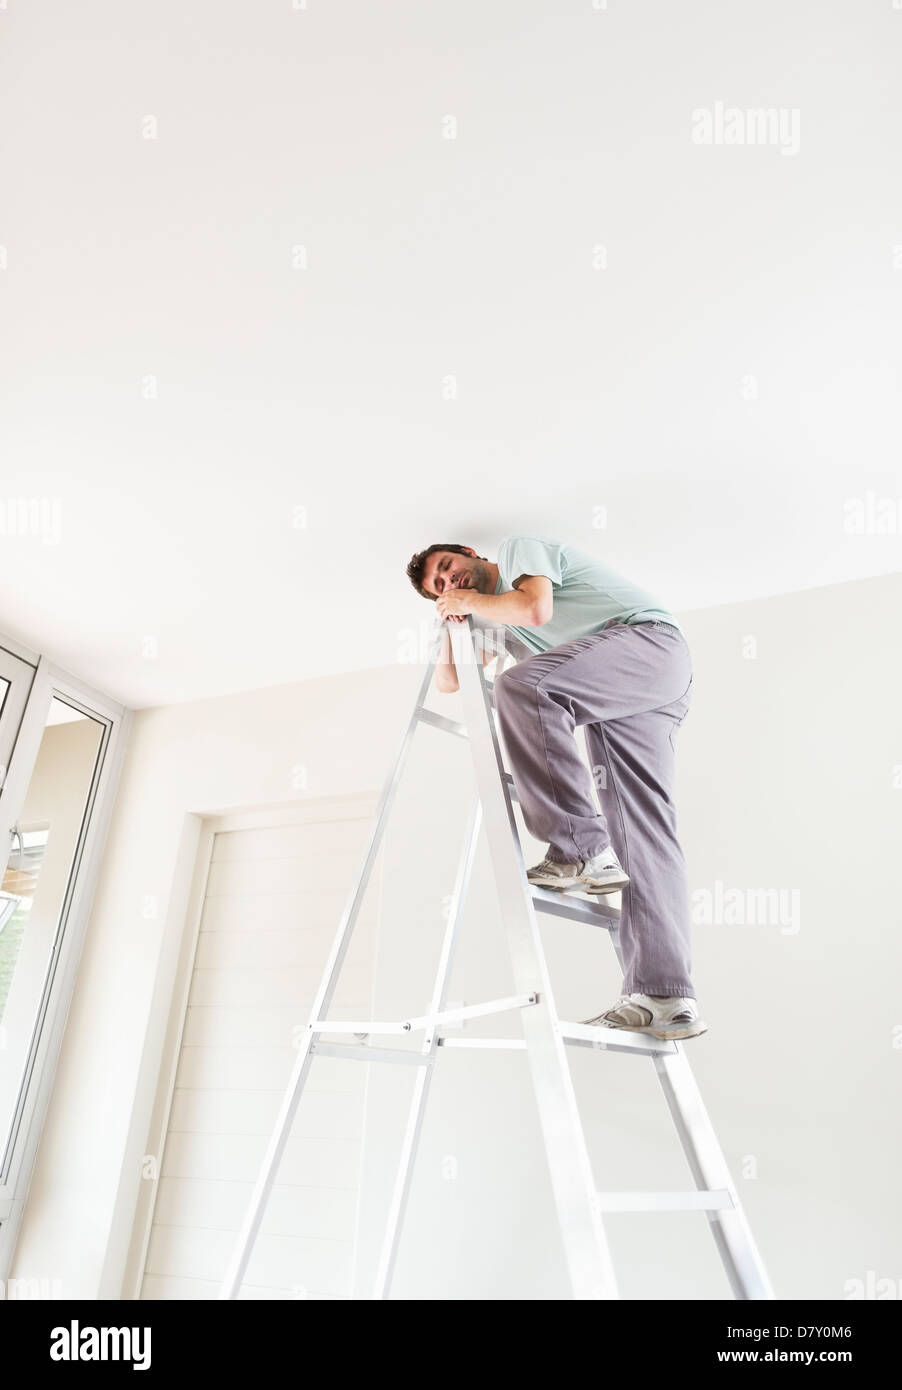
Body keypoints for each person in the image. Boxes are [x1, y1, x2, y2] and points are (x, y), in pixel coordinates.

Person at [405, 534, 706, 1042]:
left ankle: (578, 850)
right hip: (635, 691)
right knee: (642, 834)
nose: (448, 579)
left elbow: (535, 608)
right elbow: (451, 682)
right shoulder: (495, 616)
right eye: (439, 584)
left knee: (523, 686)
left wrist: (467, 600)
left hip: (646, 647)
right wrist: (454, 619)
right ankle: (663, 995)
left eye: (448, 566)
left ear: (471, 555)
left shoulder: (519, 550)